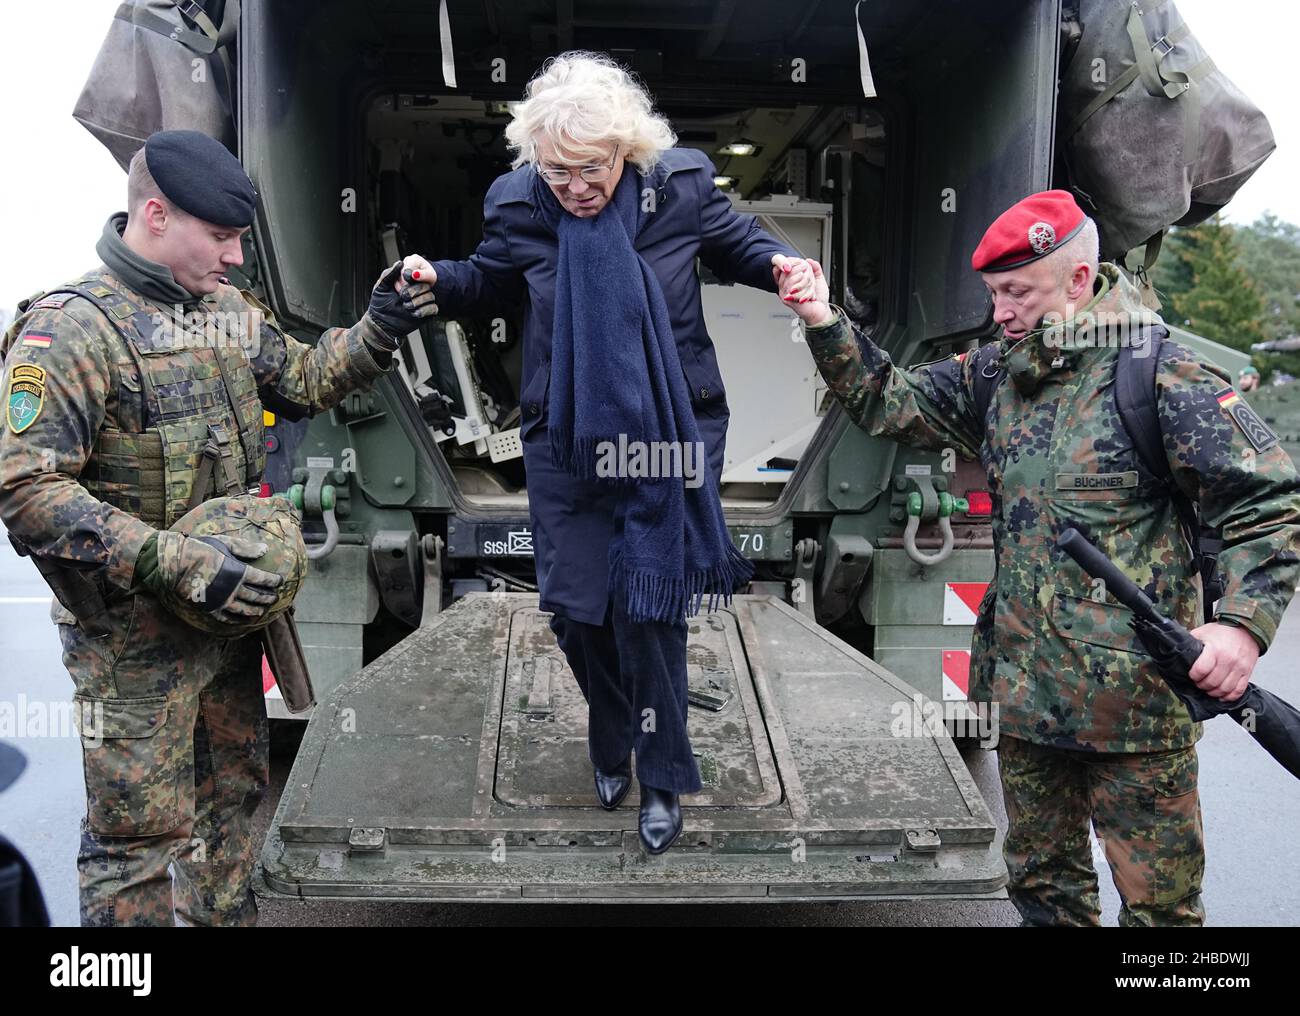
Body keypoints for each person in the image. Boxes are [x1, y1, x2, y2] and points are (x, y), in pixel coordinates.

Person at [778, 190, 1300, 925]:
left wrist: (1240, 628)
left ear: (1079, 280)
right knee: (1045, 899)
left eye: (1016, 291)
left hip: (1136, 716)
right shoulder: (997, 378)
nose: (1000, 311)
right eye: (994, 293)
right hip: (1024, 708)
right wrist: (823, 319)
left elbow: (1269, 506)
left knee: (1162, 916)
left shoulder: (1158, 375)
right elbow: (886, 400)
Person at [0, 129, 437, 926]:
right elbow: (26, 488)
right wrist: (174, 562)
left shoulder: (224, 312)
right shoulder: (70, 330)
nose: (236, 257)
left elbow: (302, 381)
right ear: (157, 216)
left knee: (231, 803)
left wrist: (376, 330)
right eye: (223, 238)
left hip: (226, 630)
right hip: (131, 643)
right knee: (134, 844)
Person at [400, 51, 800, 854]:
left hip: (669, 431)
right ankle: (613, 718)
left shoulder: (679, 186)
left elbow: (737, 246)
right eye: (557, 171)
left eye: (593, 169)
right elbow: (490, 279)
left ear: (629, 152)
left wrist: (785, 269)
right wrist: (434, 276)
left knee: (650, 607)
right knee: (577, 608)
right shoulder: (519, 203)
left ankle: (660, 775)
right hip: (567, 435)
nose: (575, 187)